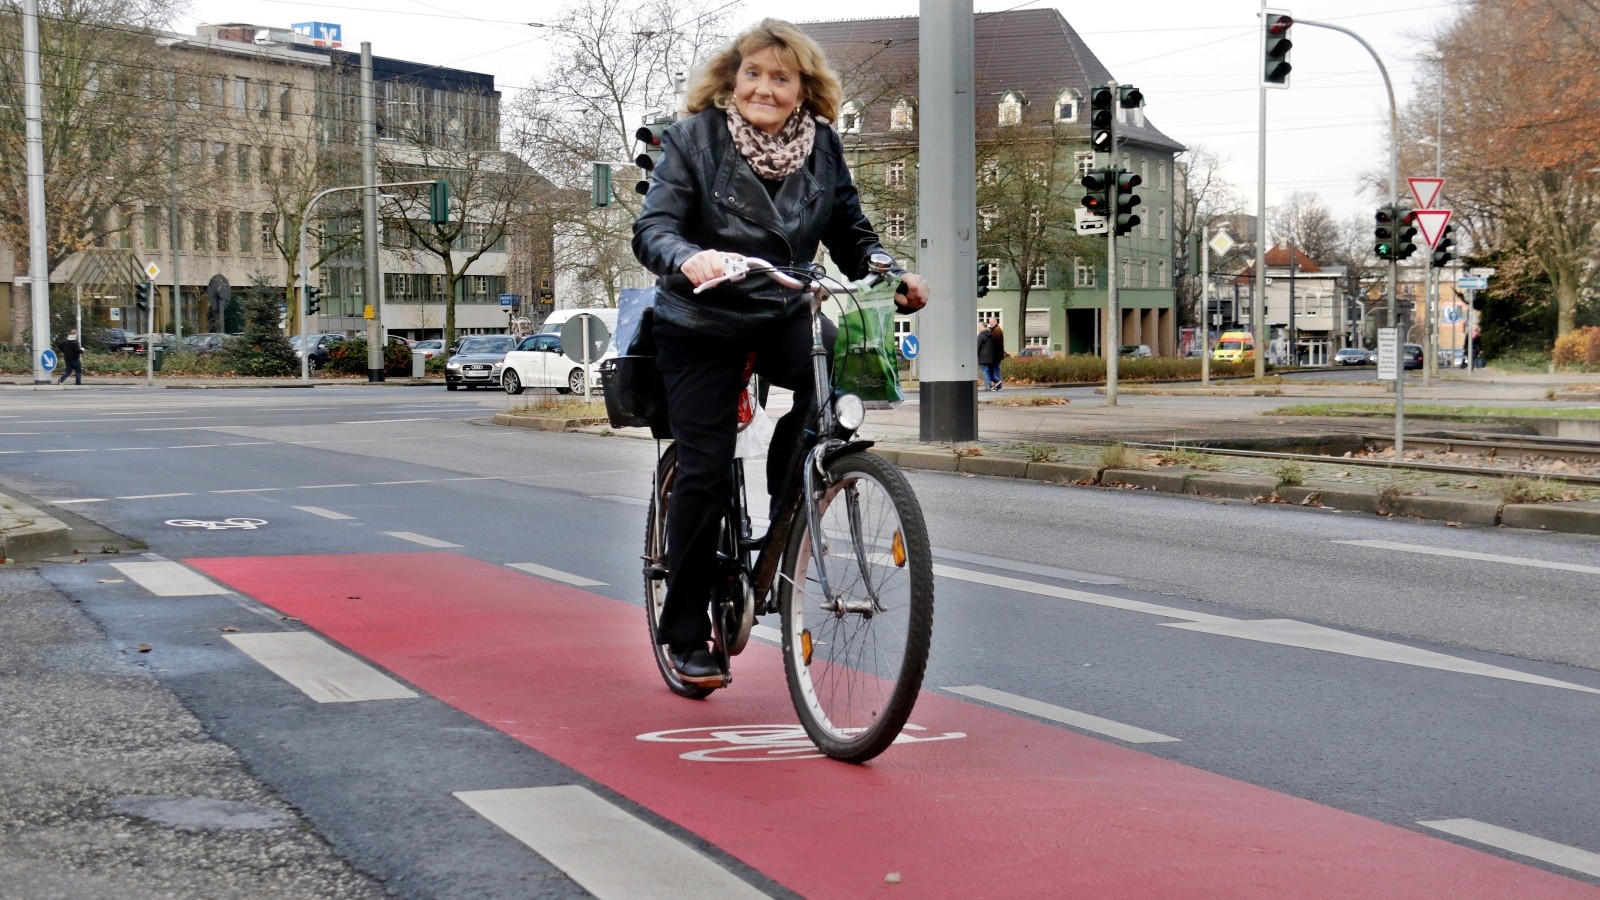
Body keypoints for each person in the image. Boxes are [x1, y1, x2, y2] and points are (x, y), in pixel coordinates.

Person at [632, 18, 930, 686]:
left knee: (834, 398)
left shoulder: (822, 146)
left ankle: (788, 485)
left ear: (804, 90)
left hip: (782, 309)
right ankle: (685, 632)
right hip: (700, 318)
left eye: (781, 77)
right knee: (704, 471)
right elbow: (653, 227)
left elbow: (850, 230)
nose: (765, 88)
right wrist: (690, 257)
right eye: (754, 74)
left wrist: (888, 269)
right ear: (733, 80)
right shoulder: (693, 140)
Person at [977, 318, 1003, 391]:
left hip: (984, 358)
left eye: (979, 327)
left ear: (982, 327)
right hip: (991, 358)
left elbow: (977, 346)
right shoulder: (991, 334)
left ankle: (989, 386)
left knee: (985, 372)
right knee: (990, 371)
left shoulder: (982, 335)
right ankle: (996, 383)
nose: (978, 328)